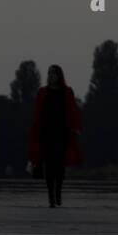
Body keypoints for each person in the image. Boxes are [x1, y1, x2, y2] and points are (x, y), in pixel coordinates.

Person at [27, 64, 81, 208]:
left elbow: (73, 110)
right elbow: (37, 113)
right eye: (49, 73)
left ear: (59, 75)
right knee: (49, 166)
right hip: (46, 133)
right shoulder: (42, 92)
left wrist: (76, 127)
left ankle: (58, 192)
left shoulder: (67, 91)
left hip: (62, 132)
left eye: (54, 73)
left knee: (60, 166)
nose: (51, 76)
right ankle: (51, 195)